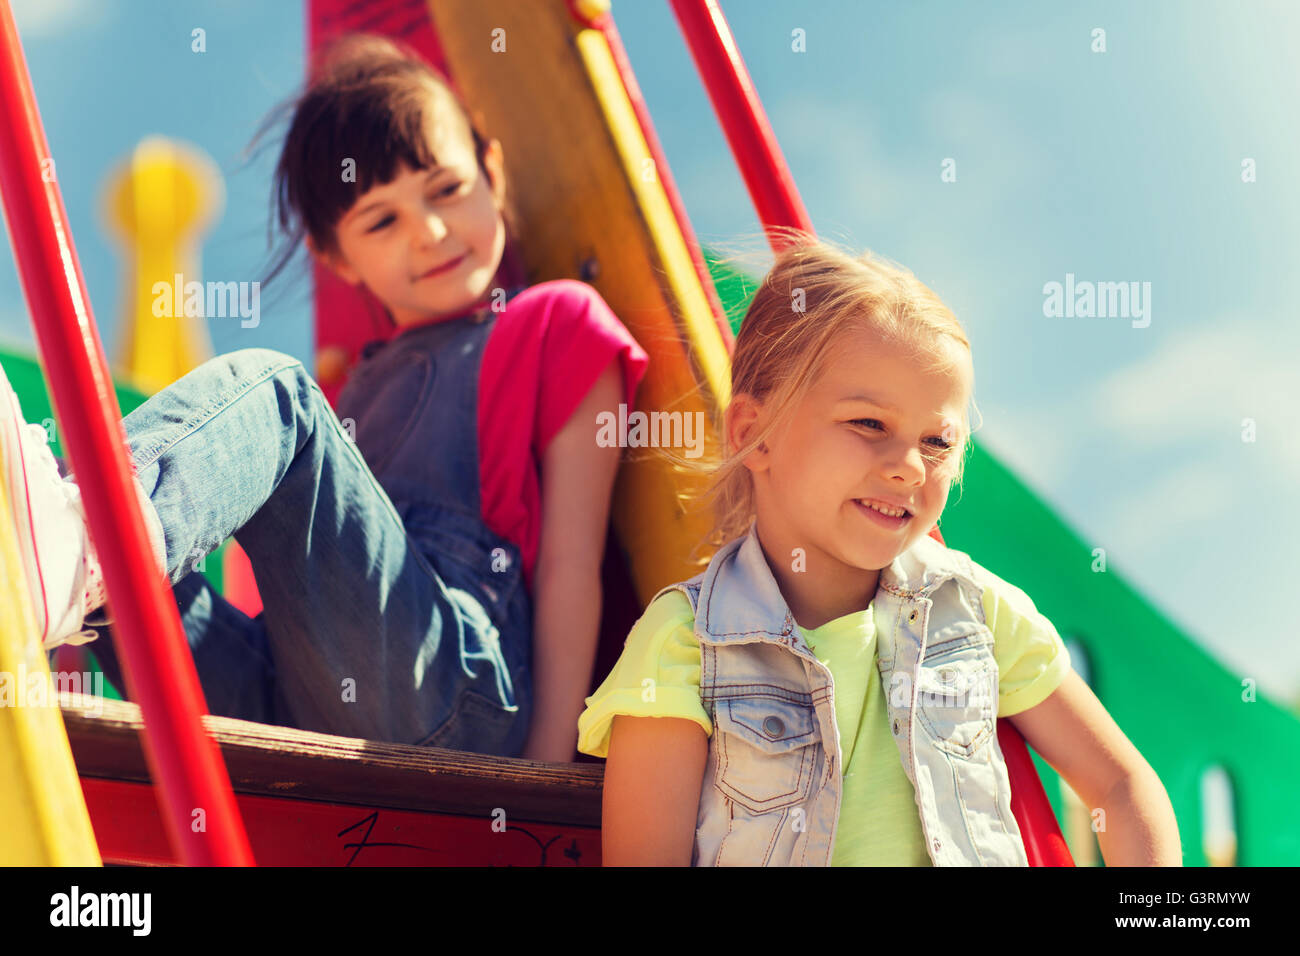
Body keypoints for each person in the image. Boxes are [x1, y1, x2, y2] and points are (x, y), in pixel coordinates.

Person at [0, 33, 647, 763]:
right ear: (336, 255)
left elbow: (570, 566)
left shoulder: (555, 320)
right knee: (135, 587)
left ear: (490, 172)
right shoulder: (362, 380)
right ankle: (67, 552)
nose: (431, 232)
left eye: (446, 189)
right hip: (302, 698)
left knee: (277, 398)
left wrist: (548, 767)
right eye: (383, 220)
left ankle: (77, 542)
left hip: (451, 688)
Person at [579, 234, 1181, 865]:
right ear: (754, 434)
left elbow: (1120, 783)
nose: (909, 468)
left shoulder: (977, 610)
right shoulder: (684, 643)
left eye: (937, 442)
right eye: (869, 424)